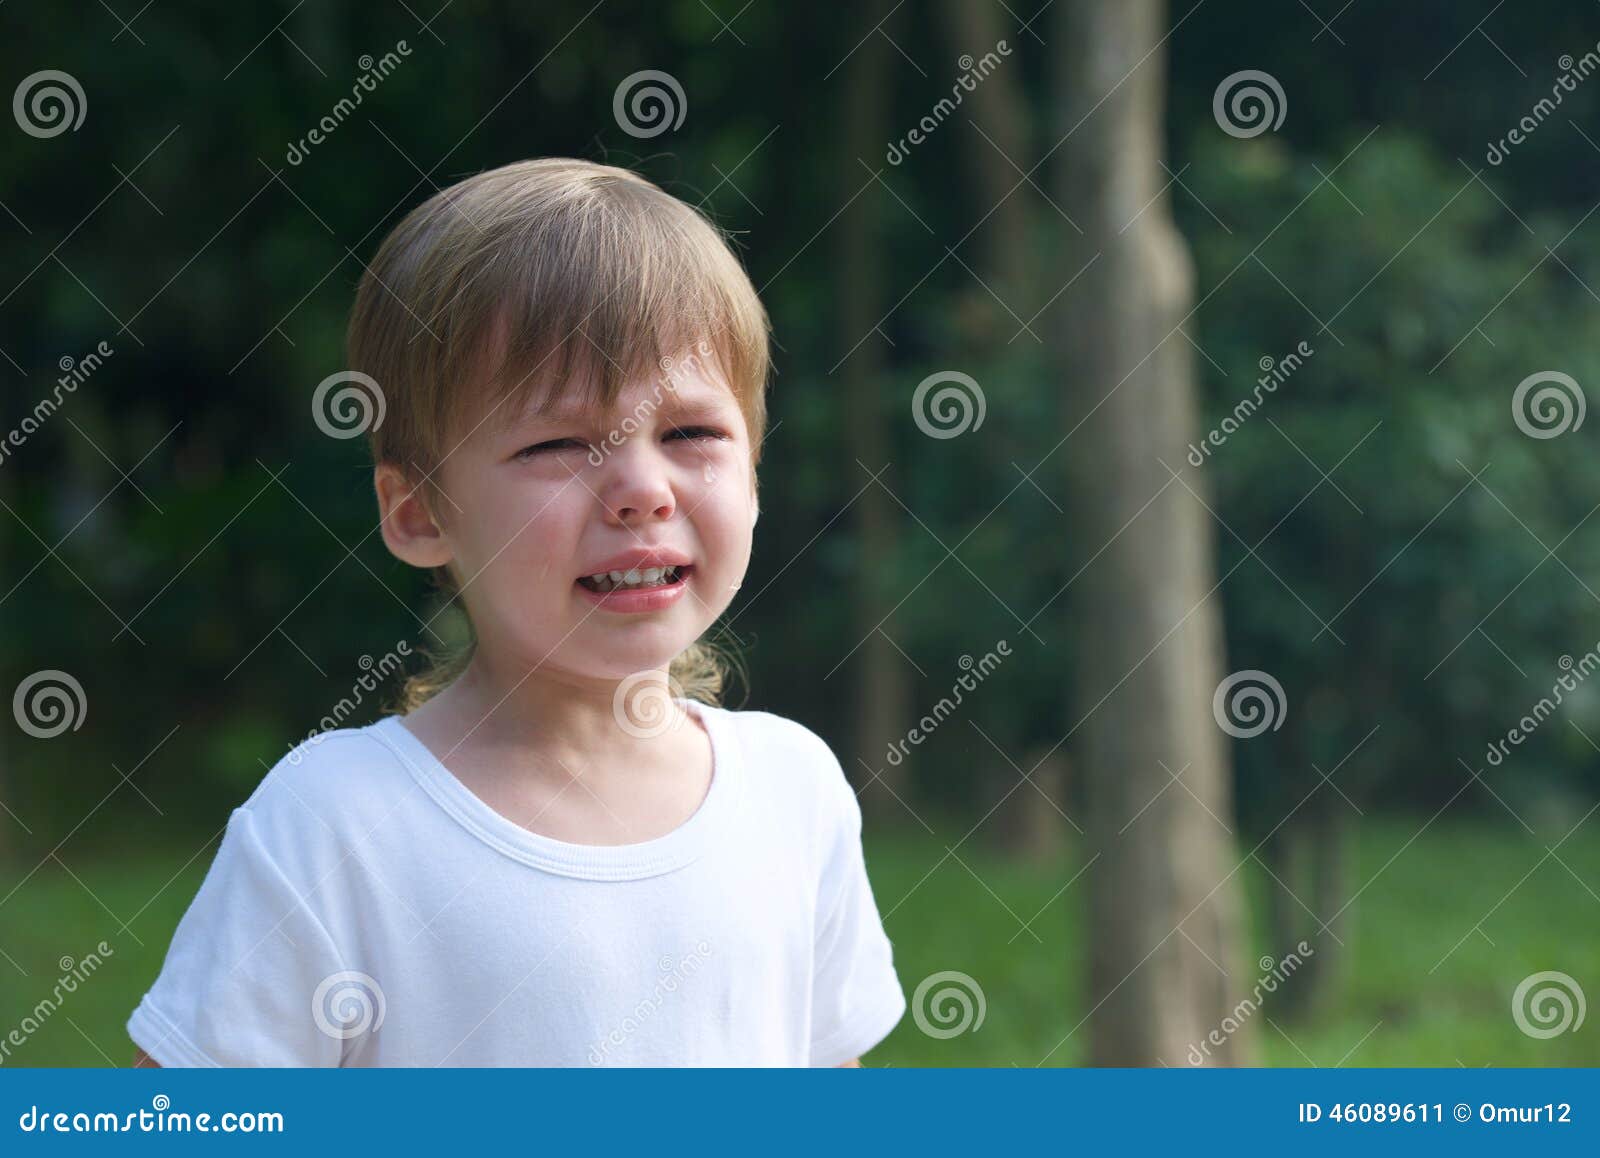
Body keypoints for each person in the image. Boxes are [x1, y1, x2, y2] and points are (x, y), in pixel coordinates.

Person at [126, 158, 905, 1067]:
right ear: (421, 513)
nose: (642, 489)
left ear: (754, 472)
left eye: (691, 433)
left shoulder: (793, 791)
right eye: (559, 444)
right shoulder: (336, 827)